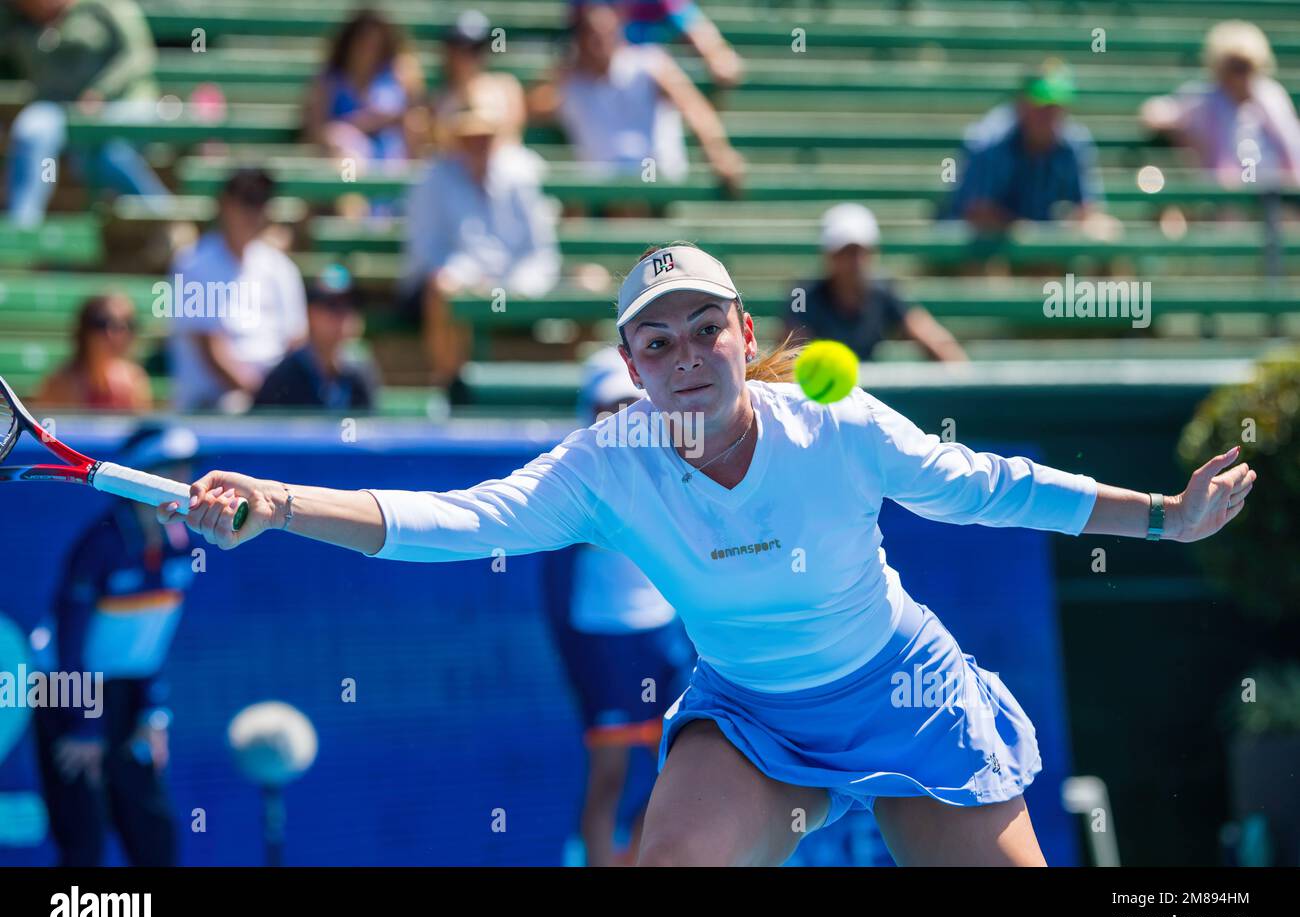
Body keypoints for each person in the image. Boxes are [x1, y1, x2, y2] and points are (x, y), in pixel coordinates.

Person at [157, 242, 1257, 867]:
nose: (683, 354)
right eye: (655, 339)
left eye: (702, 328)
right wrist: (280, 499)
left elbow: (995, 488)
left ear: (743, 334)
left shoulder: (842, 428)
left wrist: (1164, 515)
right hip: (752, 721)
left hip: (908, 697)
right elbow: (461, 521)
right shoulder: (606, 463)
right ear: (632, 366)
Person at [540, 347, 695, 866]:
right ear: (590, 413)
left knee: (678, 768)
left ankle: (636, 854)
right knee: (608, 771)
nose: (620, 419)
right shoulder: (575, 472)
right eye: (608, 409)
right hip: (603, 639)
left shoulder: (671, 462)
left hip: (664, 634)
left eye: (629, 406)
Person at [33, 424, 199, 866]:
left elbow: (152, 645)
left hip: (127, 695)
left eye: (185, 473)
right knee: (84, 846)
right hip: (65, 692)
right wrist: (83, 726)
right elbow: (68, 643)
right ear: (139, 483)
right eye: (169, 474)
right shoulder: (100, 547)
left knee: (154, 838)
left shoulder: (181, 550)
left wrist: (152, 712)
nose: (183, 487)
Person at [399, 96, 560, 390]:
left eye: (484, 136)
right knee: (443, 287)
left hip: (507, 283)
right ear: (455, 140)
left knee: (593, 280)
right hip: (443, 285)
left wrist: (510, 286)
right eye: (469, 137)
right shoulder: (431, 180)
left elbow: (539, 252)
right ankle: (449, 387)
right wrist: (471, 279)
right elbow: (426, 252)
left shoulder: (519, 177)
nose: (478, 144)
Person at [528, 2, 745, 192]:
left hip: (655, 179)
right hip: (604, 190)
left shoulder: (652, 64)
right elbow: (532, 108)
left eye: (604, 35)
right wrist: (562, 72)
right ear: (579, 39)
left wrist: (719, 153)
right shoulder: (569, 81)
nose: (598, 44)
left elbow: (694, 108)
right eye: (591, 36)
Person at [1, 0, 169, 228]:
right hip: (57, 109)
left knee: (103, 152)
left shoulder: (105, 7)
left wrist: (100, 92)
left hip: (123, 104)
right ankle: (23, 227)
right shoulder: (16, 19)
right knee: (32, 132)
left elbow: (138, 56)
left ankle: (164, 215)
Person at [166, 168, 309, 413]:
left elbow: (296, 341)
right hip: (212, 402)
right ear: (225, 205)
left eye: (261, 201)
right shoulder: (191, 265)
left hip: (273, 397)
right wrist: (265, 396)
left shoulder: (281, 268)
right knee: (235, 407)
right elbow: (210, 350)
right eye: (247, 199)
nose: (254, 211)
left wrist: (281, 392)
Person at [782, 204, 968, 362]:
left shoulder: (885, 293)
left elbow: (930, 337)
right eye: (846, 252)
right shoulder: (804, 295)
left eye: (861, 252)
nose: (855, 261)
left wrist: (960, 374)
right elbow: (791, 357)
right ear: (829, 256)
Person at [946, 62, 1112, 232]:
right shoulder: (988, 141)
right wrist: (1029, 233)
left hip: (1044, 244)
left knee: (1104, 232)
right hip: (983, 245)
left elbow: (1087, 209)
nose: (1049, 113)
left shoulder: (1074, 144)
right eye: (1041, 104)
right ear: (1022, 103)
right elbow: (975, 213)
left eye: (1056, 105)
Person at [1140, 20, 1300, 188]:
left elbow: (1292, 145)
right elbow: (1156, 113)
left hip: (1275, 193)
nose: (1240, 77)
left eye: (1245, 67)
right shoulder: (1205, 99)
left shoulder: (1271, 96)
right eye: (1234, 67)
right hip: (1225, 197)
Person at [302, 8, 425, 169]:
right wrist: (347, 131)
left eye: (376, 44)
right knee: (345, 153)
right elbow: (316, 130)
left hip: (394, 157)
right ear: (349, 43)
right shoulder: (330, 80)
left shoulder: (401, 72)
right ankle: (350, 190)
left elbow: (418, 117)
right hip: (347, 158)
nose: (369, 49)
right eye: (363, 42)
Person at [253, 264, 382, 411]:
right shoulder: (285, 376)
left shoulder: (361, 371)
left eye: (350, 305)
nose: (343, 315)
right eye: (332, 305)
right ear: (310, 313)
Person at [576, 0, 744, 90]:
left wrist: (717, 56)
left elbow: (699, 34)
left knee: (657, 65)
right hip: (596, 78)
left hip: (649, 85)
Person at [429, 8, 527, 149]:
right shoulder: (440, 97)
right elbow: (442, 142)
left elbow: (510, 135)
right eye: (460, 48)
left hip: (499, 164)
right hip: (457, 166)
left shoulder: (507, 87)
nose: (468, 56)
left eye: (476, 48)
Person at [36, 293, 153, 411]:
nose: (117, 335)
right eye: (103, 323)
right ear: (85, 330)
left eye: (128, 324)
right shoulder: (60, 386)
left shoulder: (134, 381)